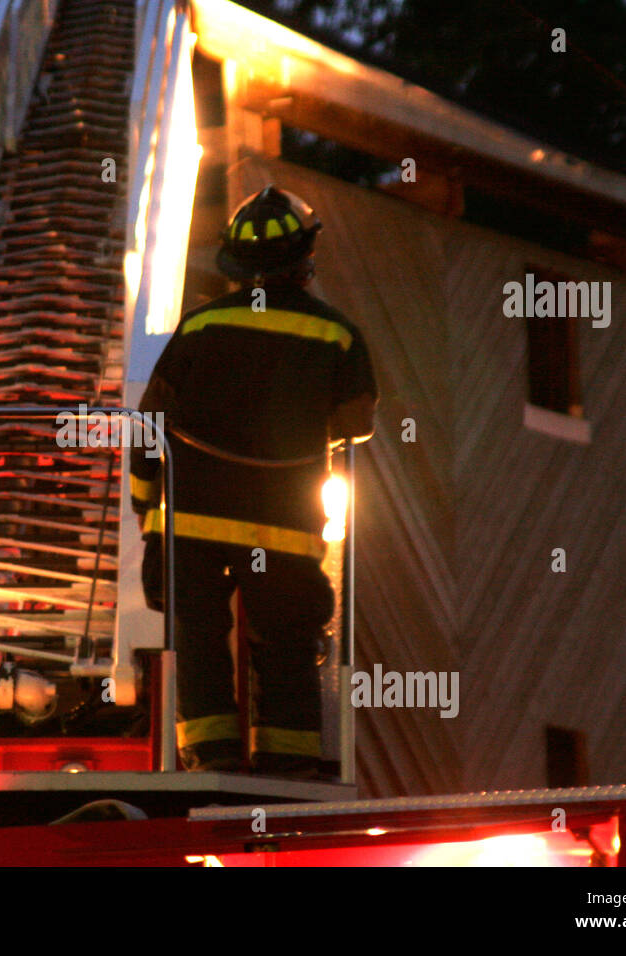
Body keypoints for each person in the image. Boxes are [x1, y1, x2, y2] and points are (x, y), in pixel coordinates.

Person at [129, 186, 377, 776]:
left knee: (197, 635)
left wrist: (147, 509)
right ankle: (287, 763)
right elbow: (356, 426)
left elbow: (150, 425)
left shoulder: (200, 325)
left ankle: (212, 755)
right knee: (287, 639)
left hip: (189, 520)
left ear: (236, 268)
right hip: (282, 525)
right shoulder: (338, 335)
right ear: (305, 260)